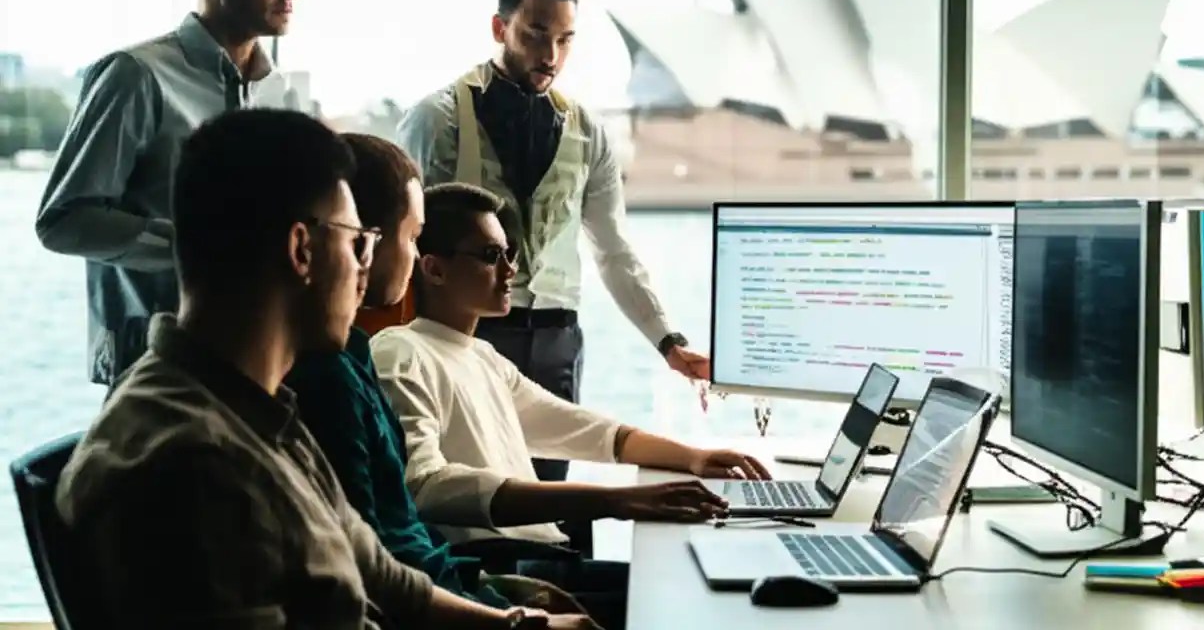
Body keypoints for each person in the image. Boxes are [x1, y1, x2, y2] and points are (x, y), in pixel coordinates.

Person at [56, 109, 597, 630]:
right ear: (302, 248)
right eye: (358, 241)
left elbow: (380, 573)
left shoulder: (257, 408)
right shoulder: (196, 467)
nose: (366, 265)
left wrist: (514, 623)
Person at [370, 182, 772, 623]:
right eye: (491, 256)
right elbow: (426, 487)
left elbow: (586, 431)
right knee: (705, 598)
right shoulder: (400, 352)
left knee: (713, 584)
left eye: (510, 254)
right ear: (434, 269)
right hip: (498, 572)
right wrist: (614, 501)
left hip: (541, 556)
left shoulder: (482, 357)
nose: (510, 270)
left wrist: (693, 458)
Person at [396, 0, 708, 489]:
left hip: (557, 338)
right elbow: (404, 236)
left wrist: (667, 341)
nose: (551, 56)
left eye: (565, 40)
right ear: (500, 28)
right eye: (536, 34)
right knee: (469, 487)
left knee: (552, 489)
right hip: (467, 332)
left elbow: (613, 249)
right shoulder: (437, 118)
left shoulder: (588, 131)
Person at [285, 133, 594, 620]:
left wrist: (493, 589)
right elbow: (375, 572)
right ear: (303, 247)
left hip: (452, 583)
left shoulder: (357, 358)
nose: (370, 257)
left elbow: (393, 542)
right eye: (410, 237)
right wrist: (508, 617)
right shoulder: (339, 373)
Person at [34, 0, 302, 387]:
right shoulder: (135, 76)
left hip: (260, 364)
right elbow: (62, 220)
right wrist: (196, 245)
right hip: (154, 369)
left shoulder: (280, 92)